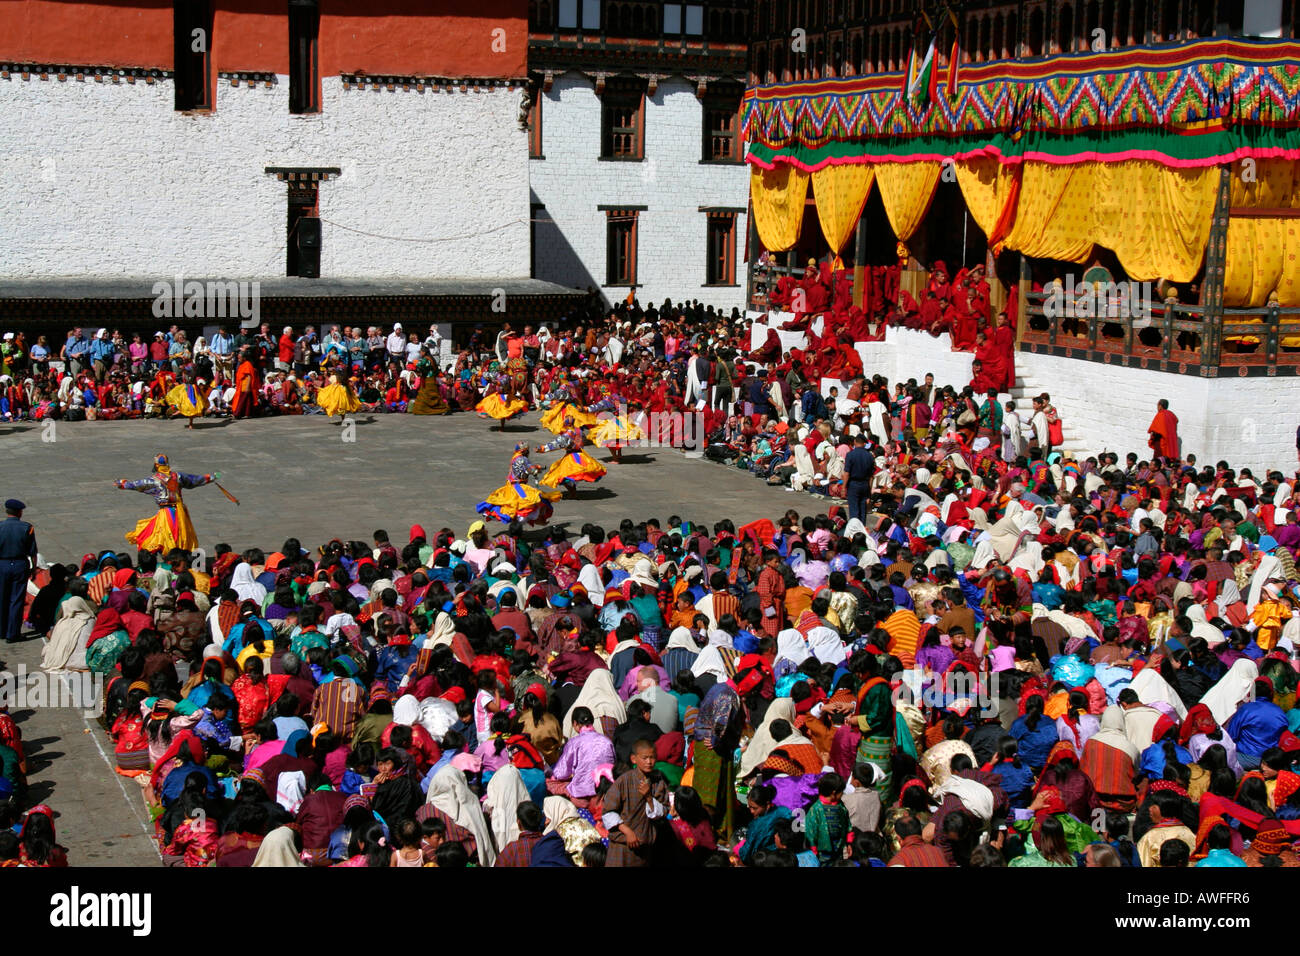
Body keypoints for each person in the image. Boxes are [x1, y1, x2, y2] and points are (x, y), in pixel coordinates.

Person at [115, 455, 220, 553]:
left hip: (166, 513)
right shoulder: (178, 477)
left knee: (162, 536)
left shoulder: (153, 480)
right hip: (181, 513)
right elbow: (195, 480)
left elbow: (135, 485)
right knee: (181, 536)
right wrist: (212, 477)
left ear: (156, 465)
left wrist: (122, 483)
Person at [602, 738, 668, 867]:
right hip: (622, 846)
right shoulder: (623, 781)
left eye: (652, 757)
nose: (649, 762)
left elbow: (663, 811)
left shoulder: (658, 782)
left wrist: (649, 797)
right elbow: (608, 812)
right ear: (634, 759)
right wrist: (627, 831)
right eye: (644, 758)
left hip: (645, 847)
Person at [0, 499, 36, 644]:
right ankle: (12, 633)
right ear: (19, 512)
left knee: (2, 597)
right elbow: (32, 551)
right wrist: (33, 567)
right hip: (20, 564)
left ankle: (1, 631)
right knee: (16, 599)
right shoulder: (27, 528)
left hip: (2, 564)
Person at [843, 432, 875, 524]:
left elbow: (847, 473)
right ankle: (862, 529)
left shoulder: (850, 455)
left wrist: (843, 487)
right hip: (865, 484)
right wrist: (869, 491)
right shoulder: (869, 456)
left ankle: (854, 531)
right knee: (862, 509)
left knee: (854, 509)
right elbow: (871, 476)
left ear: (855, 442)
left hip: (853, 484)